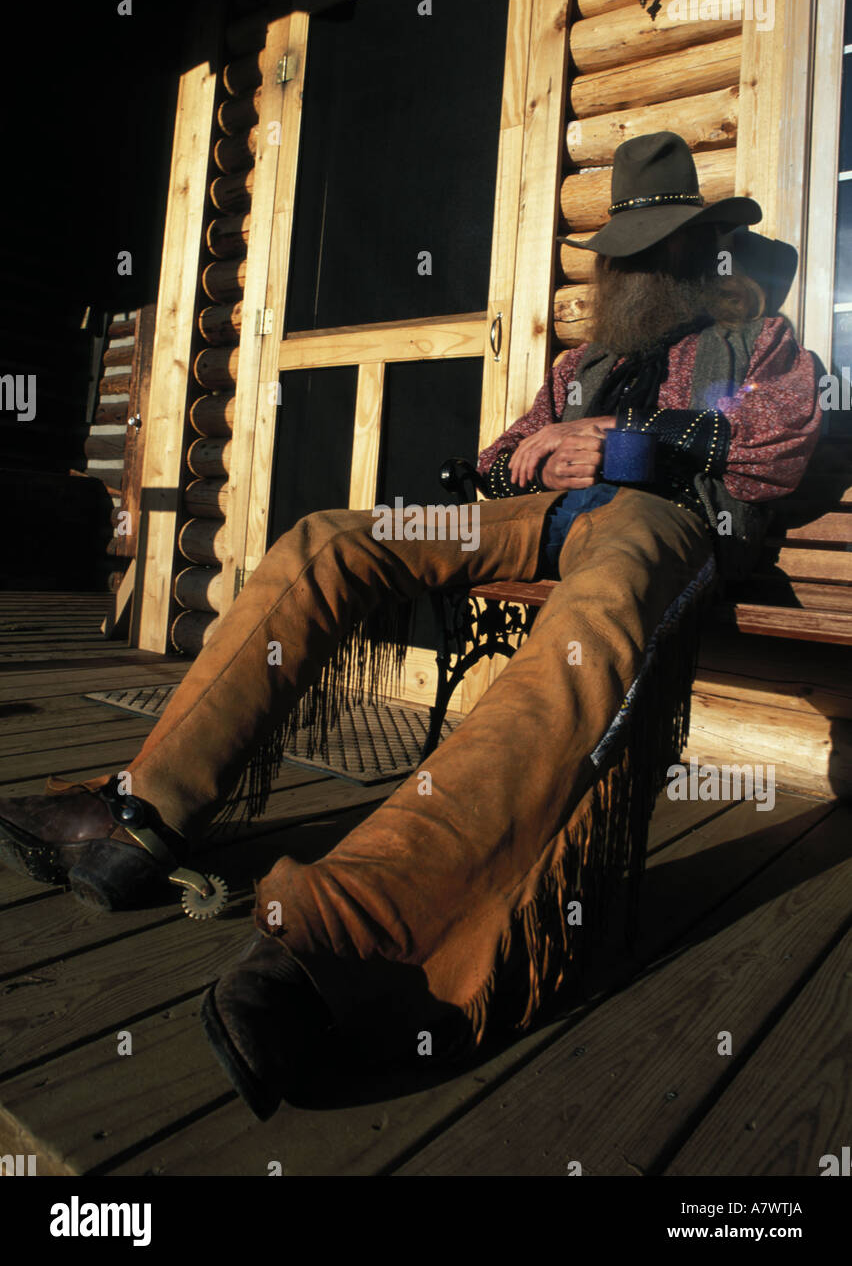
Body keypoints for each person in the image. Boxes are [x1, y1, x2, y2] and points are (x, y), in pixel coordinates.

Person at [0, 133, 822, 1120]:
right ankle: (138, 815)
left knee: (597, 610)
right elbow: (496, 457)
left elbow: (776, 446)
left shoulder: (756, 343)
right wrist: (543, 454)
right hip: (542, 517)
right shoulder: (581, 363)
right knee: (332, 539)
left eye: (670, 246)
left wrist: (635, 442)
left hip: (656, 523)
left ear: (702, 249)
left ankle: (364, 928)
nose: (652, 266)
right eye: (635, 251)